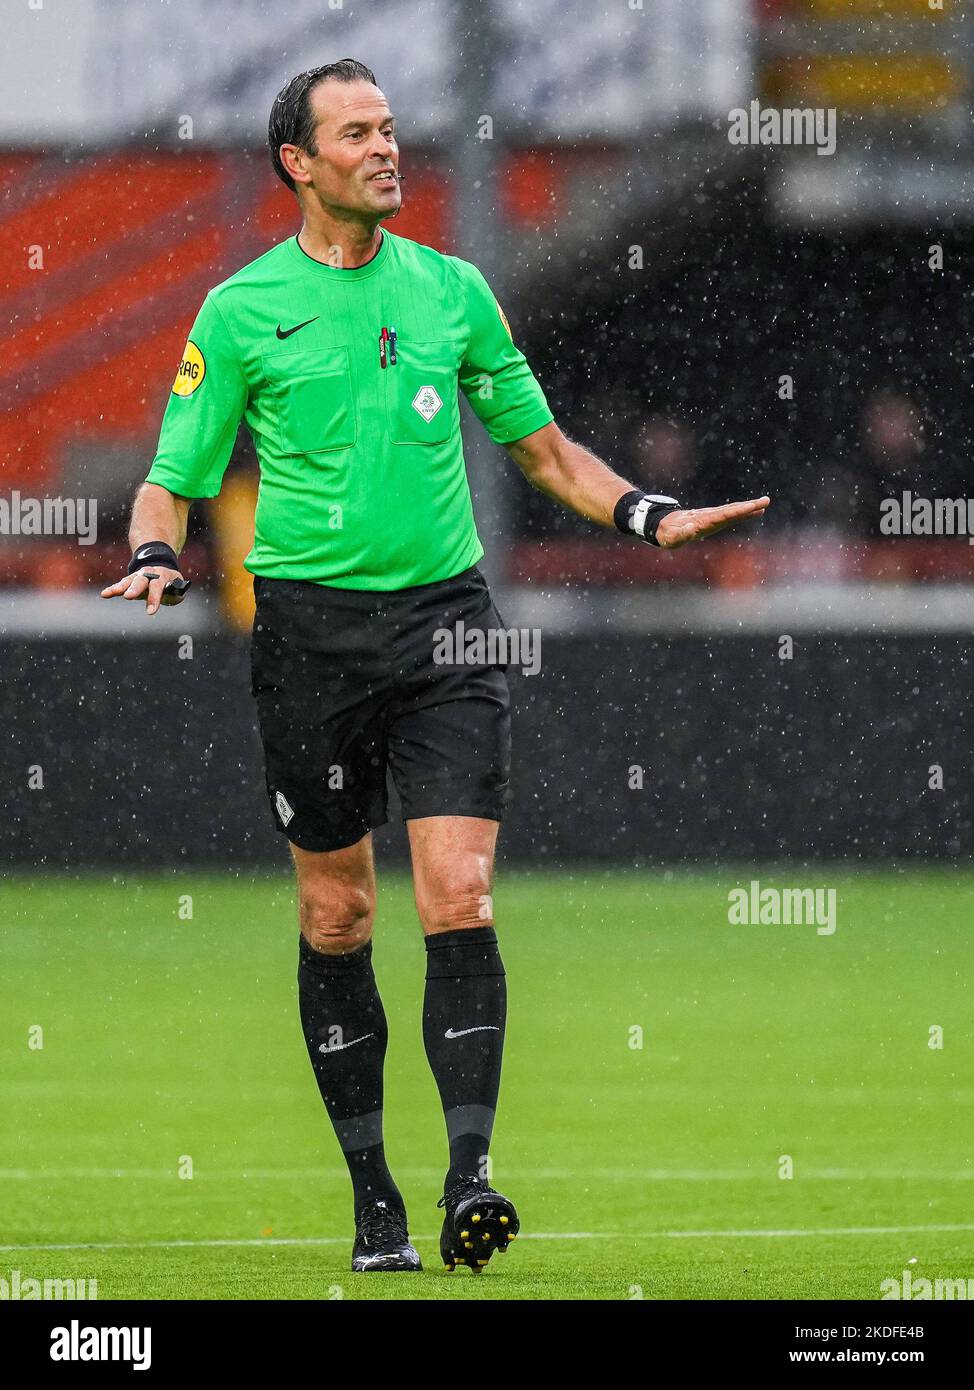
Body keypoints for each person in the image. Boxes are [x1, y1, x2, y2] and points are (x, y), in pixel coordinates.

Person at [102, 59, 769, 1275]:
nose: (385, 149)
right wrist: (155, 547)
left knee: (457, 896)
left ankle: (470, 1175)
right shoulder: (240, 310)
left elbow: (548, 451)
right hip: (307, 637)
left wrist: (645, 516)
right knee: (338, 911)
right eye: (356, 133)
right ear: (296, 163)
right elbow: (174, 473)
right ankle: (374, 1200)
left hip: (446, 631)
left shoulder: (456, 291)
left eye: (391, 128)